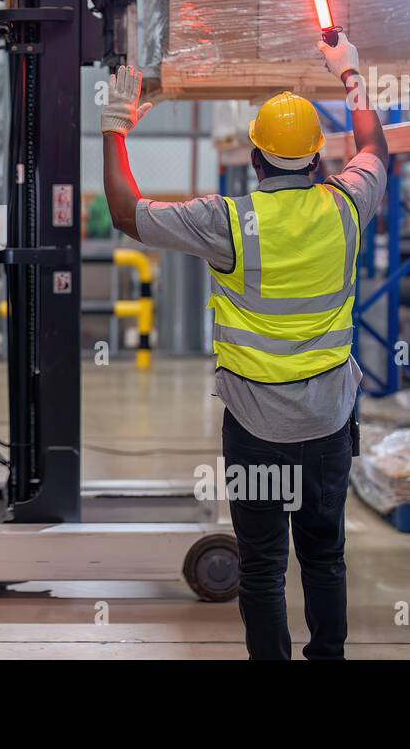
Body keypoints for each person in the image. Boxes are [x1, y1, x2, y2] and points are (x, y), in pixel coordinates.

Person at [100, 36, 388, 660]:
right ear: (317, 159)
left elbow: (126, 212)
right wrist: (351, 75)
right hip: (328, 423)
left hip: (256, 427)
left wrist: (114, 129)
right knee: (326, 553)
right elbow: (374, 151)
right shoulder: (347, 206)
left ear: (255, 156)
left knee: (262, 567)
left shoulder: (226, 221)